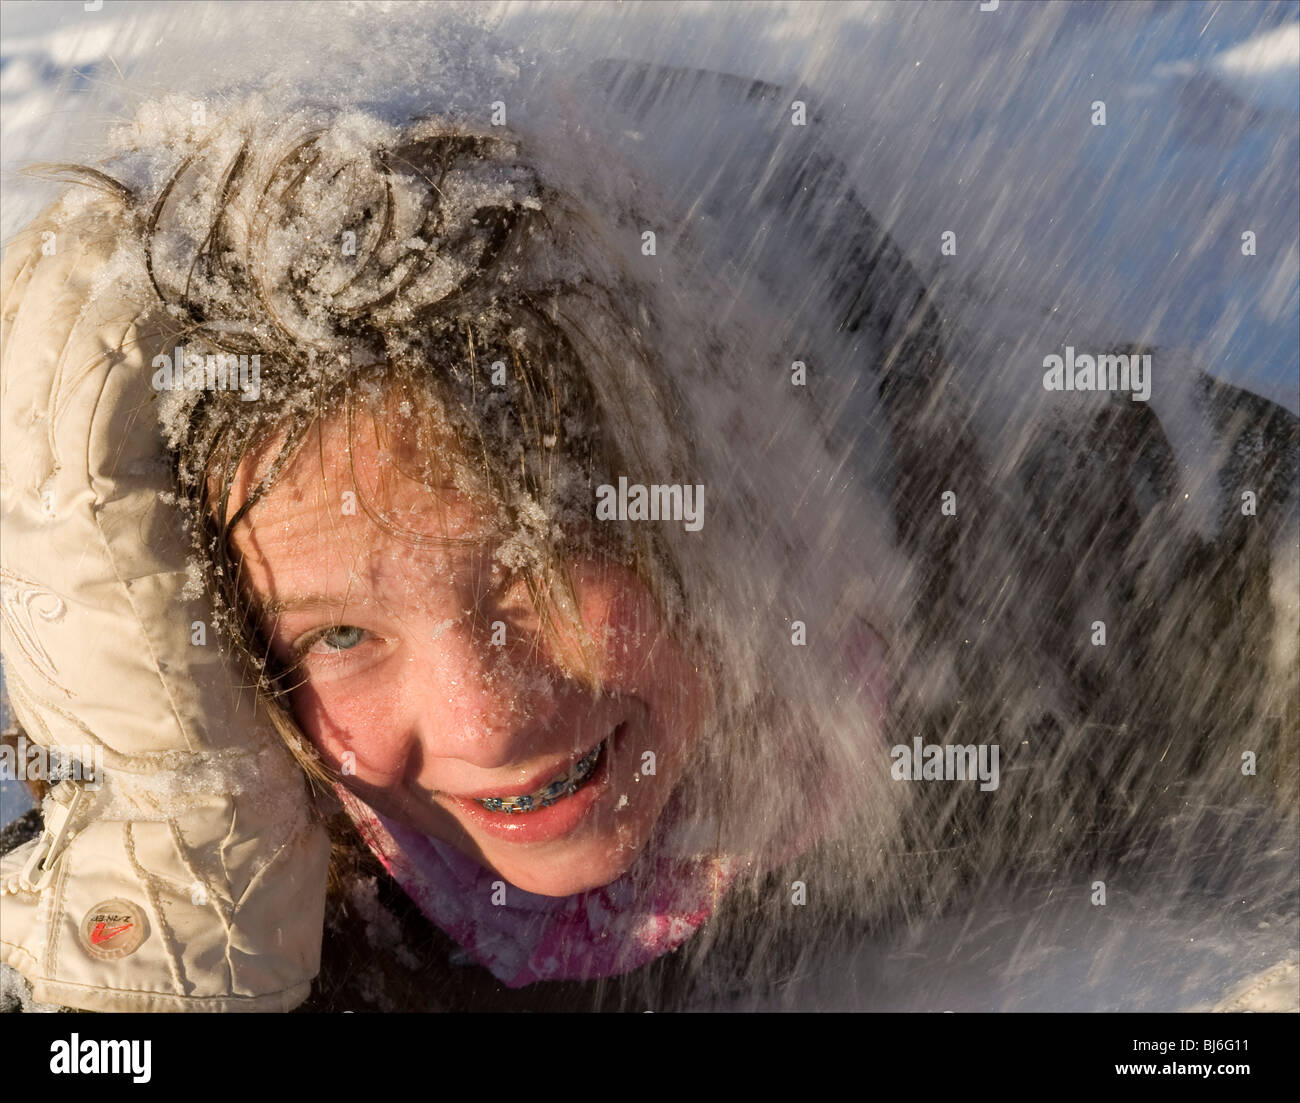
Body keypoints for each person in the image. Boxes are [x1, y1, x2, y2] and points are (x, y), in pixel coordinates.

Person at [3, 62, 1295, 1013]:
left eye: (542, 557)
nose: (488, 715)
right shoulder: (271, 849)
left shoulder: (981, 568)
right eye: (339, 633)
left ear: (702, 491)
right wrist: (173, 921)